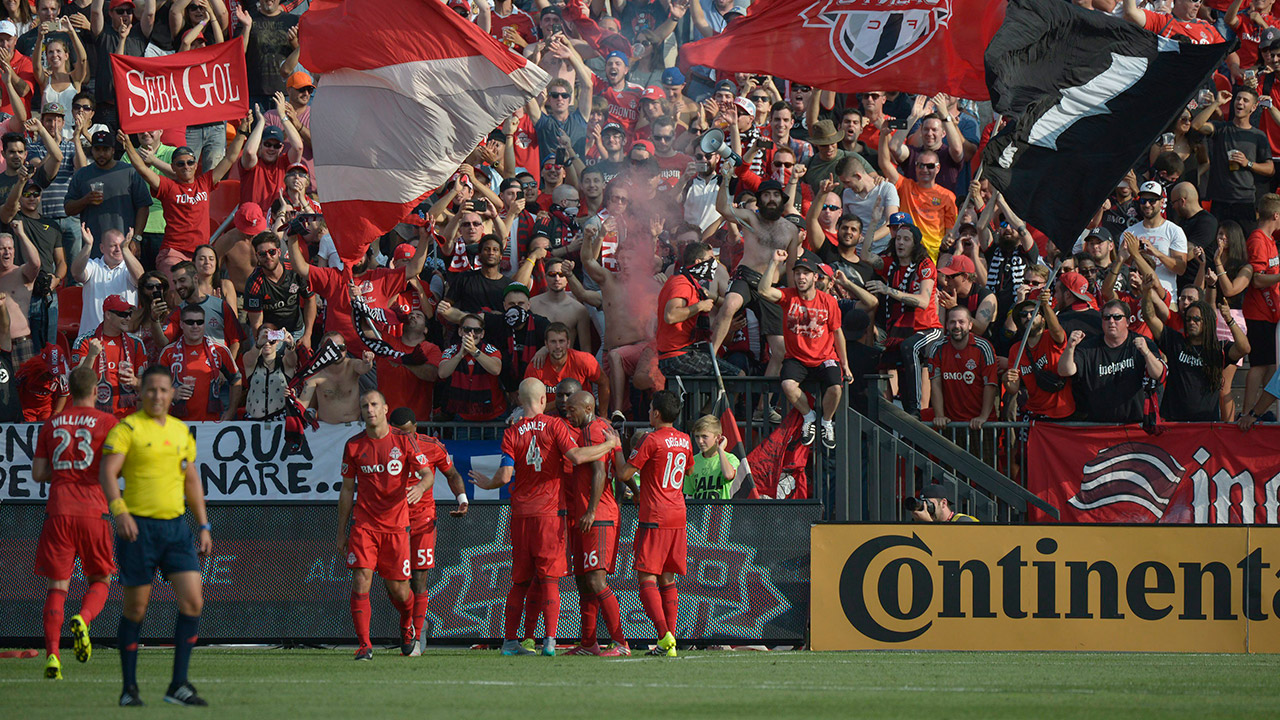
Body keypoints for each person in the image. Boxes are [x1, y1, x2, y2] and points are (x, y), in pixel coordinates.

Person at [469, 377, 619, 656]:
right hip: (550, 515)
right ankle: (550, 641)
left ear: (519, 401)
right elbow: (575, 457)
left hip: (521, 515)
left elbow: (504, 476)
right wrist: (609, 446)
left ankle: (510, 642)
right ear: (542, 400)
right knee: (550, 580)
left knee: (520, 582)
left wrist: (486, 483)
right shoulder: (555, 425)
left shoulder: (512, 432)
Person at [99, 365, 211, 707]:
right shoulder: (127, 428)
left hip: (176, 528)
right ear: (141, 393)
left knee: (193, 601)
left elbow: (191, 480)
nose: (158, 396)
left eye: (164, 390)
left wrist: (203, 524)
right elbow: (108, 471)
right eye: (151, 390)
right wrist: (120, 513)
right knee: (136, 609)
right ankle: (129, 689)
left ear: (172, 393)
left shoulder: (180, 432)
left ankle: (179, 685)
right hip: (139, 530)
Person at [31, 365, 119, 680]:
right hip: (94, 510)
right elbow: (116, 469)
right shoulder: (109, 422)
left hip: (58, 510)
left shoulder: (52, 423)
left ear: (70, 388)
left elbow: (39, 473)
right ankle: (83, 618)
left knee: (57, 587)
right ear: (96, 391)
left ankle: (53, 656)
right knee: (101, 580)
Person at [335, 390, 432, 660]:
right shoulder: (353, 445)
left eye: (374, 404)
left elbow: (427, 474)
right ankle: (365, 645)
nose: (370, 409)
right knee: (361, 578)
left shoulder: (403, 440)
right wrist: (341, 531)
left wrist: (420, 488)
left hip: (396, 527)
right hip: (364, 524)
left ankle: (407, 624)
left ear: (385, 408)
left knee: (400, 591)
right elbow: (346, 489)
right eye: (365, 405)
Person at [612, 390, 691, 658]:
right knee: (667, 577)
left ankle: (663, 635)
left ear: (656, 413)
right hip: (678, 514)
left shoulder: (650, 439)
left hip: (655, 516)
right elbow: (688, 470)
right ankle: (670, 641)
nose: (648, 414)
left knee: (646, 576)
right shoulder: (685, 439)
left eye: (649, 410)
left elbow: (623, 473)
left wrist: (616, 448)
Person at [710, 177, 797, 407]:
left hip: (770, 287)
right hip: (746, 277)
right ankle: (712, 356)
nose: (771, 199)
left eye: (775, 195)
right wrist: (725, 180)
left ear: (782, 199)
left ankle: (763, 407)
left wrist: (792, 299)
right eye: (766, 195)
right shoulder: (750, 218)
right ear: (759, 200)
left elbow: (792, 269)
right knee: (729, 305)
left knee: (780, 350)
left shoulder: (790, 230)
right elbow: (721, 208)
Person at [389, 407, 468, 656]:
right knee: (393, 583)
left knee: (419, 578)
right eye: (398, 432)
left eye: (407, 432)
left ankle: (418, 632)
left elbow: (452, 474)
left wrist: (462, 499)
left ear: (415, 427)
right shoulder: (384, 448)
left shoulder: (431, 446)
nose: (404, 437)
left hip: (423, 520)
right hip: (391, 521)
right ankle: (408, 624)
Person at [120, 126, 247, 277]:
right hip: (173, 253)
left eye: (190, 162)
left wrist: (242, 131)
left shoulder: (205, 182)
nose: (186, 166)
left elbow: (230, 157)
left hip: (199, 254)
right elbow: (142, 168)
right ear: (173, 167)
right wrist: (127, 143)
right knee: (177, 292)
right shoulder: (168, 186)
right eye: (180, 164)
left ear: (195, 165)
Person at [757, 249, 850, 448]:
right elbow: (763, 291)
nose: (801, 277)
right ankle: (809, 417)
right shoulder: (788, 296)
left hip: (825, 357)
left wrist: (845, 364)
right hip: (797, 357)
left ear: (815, 277)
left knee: (836, 388)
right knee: (787, 384)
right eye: (797, 273)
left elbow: (837, 333)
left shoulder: (829, 301)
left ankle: (826, 422)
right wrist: (773, 262)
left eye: (805, 273)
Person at [560, 390, 630, 657]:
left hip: (597, 515)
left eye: (572, 410)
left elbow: (600, 471)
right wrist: (633, 488)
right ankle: (589, 643)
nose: (569, 414)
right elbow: (621, 467)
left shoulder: (591, 431)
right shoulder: (608, 430)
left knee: (596, 580)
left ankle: (621, 643)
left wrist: (590, 510)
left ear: (587, 408)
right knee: (584, 581)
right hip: (592, 514)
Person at [288, 226, 430, 353]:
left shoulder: (382, 277)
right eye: (352, 254)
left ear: (368, 256)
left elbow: (414, 269)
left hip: (371, 352)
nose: (357, 258)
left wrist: (424, 238)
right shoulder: (332, 276)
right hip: (337, 353)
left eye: (361, 253)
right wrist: (293, 236)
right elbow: (300, 267)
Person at [863, 223, 943, 416]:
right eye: (898, 238)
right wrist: (873, 222)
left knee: (910, 347)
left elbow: (923, 301)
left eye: (906, 239)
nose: (900, 242)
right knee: (882, 361)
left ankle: (915, 409)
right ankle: (891, 413)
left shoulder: (925, 265)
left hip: (928, 329)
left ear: (915, 243)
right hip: (900, 332)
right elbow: (865, 255)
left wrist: (888, 290)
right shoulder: (891, 264)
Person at [1058, 299, 1167, 423]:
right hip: (1100, 426)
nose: (1111, 321)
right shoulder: (1088, 347)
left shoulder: (1143, 344)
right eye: (1106, 317)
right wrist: (1070, 347)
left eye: (1117, 317)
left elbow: (1158, 374)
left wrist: (1146, 353)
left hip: (1137, 425)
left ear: (1127, 321)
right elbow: (1064, 371)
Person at [1145, 293, 1249, 421]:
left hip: (1205, 425)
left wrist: (1229, 319)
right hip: (1174, 422)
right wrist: (1146, 292)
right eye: (1188, 319)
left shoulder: (1219, 348)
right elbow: (1149, 317)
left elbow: (1244, 348)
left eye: (1196, 319)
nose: (1191, 323)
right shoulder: (1175, 342)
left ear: (1207, 321)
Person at [2, 165, 66, 350]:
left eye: (35, 194)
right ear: (20, 198)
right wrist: (20, 182)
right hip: (21, 291)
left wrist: (57, 279)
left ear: (41, 196)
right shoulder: (14, 220)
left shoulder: (52, 224)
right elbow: (8, 207)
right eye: (27, 194)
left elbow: (61, 261)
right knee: (24, 348)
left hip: (47, 292)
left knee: (49, 346)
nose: (32, 198)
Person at [1191, 88, 1273, 228]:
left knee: (1244, 245)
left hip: (1244, 200)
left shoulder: (1258, 136)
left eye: (1245, 100)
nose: (1240, 102)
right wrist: (1216, 103)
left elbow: (1270, 169)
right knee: (1218, 244)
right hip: (1220, 199)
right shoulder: (1221, 128)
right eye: (1238, 99)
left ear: (1253, 108)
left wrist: (1248, 163)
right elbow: (1196, 125)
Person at [64, 131, 151, 252]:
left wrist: (136, 239)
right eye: (97, 149)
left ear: (113, 150)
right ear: (92, 150)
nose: (101, 154)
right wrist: (85, 200)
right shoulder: (81, 175)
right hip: (93, 248)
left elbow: (143, 207)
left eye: (105, 149)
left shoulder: (130, 172)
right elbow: (68, 209)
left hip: (124, 246)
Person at [156, 305, 243, 422]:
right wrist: (172, 393)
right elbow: (155, 386)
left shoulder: (219, 350)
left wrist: (231, 411)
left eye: (199, 322)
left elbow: (236, 379)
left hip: (210, 424)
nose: (195, 326)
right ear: (181, 324)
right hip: (177, 424)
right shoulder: (168, 352)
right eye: (190, 322)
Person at [70, 294, 147, 418]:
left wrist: (135, 381)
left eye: (129, 314)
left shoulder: (137, 343)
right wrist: (91, 356)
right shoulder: (85, 341)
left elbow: (146, 387)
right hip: (94, 417)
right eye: (122, 314)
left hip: (127, 417)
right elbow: (76, 384)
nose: (127, 318)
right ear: (108, 315)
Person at [1004, 295, 1075, 422]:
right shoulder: (1016, 349)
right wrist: (1006, 380)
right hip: (1034, 414)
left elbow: (1057, 331)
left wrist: (1045, 305)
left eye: (1034, 313)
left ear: (1043, 319)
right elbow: (1013, 389)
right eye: (1023, 314)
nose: (1028, 317)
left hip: (1060, 413)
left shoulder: (1051, 337)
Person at [927, 305, 998, 430]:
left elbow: (990, 384)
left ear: (970, 325)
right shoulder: (938, 348)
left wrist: (983, 417)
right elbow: (935, 384)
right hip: (950, 423)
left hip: (981, 424)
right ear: (947, 325)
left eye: (961, 322)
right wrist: (939, 416)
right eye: (952, 322)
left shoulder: (983, 347)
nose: (957, 326)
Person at [1242, 194, 1280, 418]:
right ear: (1275, 215)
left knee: (1270, 366)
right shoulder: (1257, 239)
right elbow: (1257, 279)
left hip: (1270, 313)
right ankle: (1247, 412)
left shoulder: (1270, 239)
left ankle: (1259, 411)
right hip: (1258, 312)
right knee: (1258, 365)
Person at [243, 232, 316, 344]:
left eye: (272, 252)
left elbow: (310, 300)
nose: (268, 257)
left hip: (295, 330)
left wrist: (308, 335)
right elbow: (256, 324)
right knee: (264, 357)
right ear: (257, 256)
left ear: (279, 252)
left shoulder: (295, 270)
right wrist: (264, 344)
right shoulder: (254, 283)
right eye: (262, 254)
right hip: (269, 333)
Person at [1121, 181, 1188, 296]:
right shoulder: (1129, 232)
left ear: (1162, 202)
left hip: (1167, 298)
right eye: (1143, 201)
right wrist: (1132, 254)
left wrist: (1157, 253)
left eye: (1152, 201)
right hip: (1136, 297)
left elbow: (1181, 268)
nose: (1147, 205)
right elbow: (1122, 266)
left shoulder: (1174, 230)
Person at [525, 321, 609, 411]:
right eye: (553, 342)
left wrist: (603, 415)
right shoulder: (536, 366)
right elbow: (530, 404)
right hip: (549, 418)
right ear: (546, 344)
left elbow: (604, 383)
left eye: (561, 341)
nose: (558, 346)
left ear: (568, 343)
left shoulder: (583, 360)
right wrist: (563, 402)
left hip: (581, 415)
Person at [438, 313, 505, 422]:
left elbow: (496, 369)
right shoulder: (451, 351)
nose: (472, 334)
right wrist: (460, 355)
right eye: (467, 330)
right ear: (460, 332)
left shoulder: (490, 350)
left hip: (494, 414)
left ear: (482, 334)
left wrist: (474, 351)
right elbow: (442, 373)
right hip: (464, 415)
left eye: (477, 330)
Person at [300, 333, 377, 425]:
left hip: (352, 426)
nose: (337, 352)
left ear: (346, 349)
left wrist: (368, 362)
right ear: (322, 350)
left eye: (341, 348)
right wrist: (291, 397)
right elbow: (303, 404)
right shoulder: (316, 373)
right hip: (327, 429)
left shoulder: (352, 365)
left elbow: (364, 367)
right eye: (332, 349)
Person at [0, 225, 43, 366]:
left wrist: (21, 234)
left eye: (10, 248)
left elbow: (36, 263)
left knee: (24, 388)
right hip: (1, 346)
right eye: (2, 249)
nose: (7, 252)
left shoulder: (22, 273)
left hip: (20, 343)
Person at [685, 414, 739, 500]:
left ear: (717, 437)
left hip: (721, 512)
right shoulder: (692, 461)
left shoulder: (730, 458)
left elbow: (728, 475)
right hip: (699, 512)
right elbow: (690, 494)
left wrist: (720, 450)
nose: (700, 441)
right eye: (697, 436)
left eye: (704, 436)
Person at [909, 484, 978, 523]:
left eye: (929, 504)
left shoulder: (964, 521)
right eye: (923, 505)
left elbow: (947, 545)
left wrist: (929, 524)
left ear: (943, 503)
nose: (926, 509)